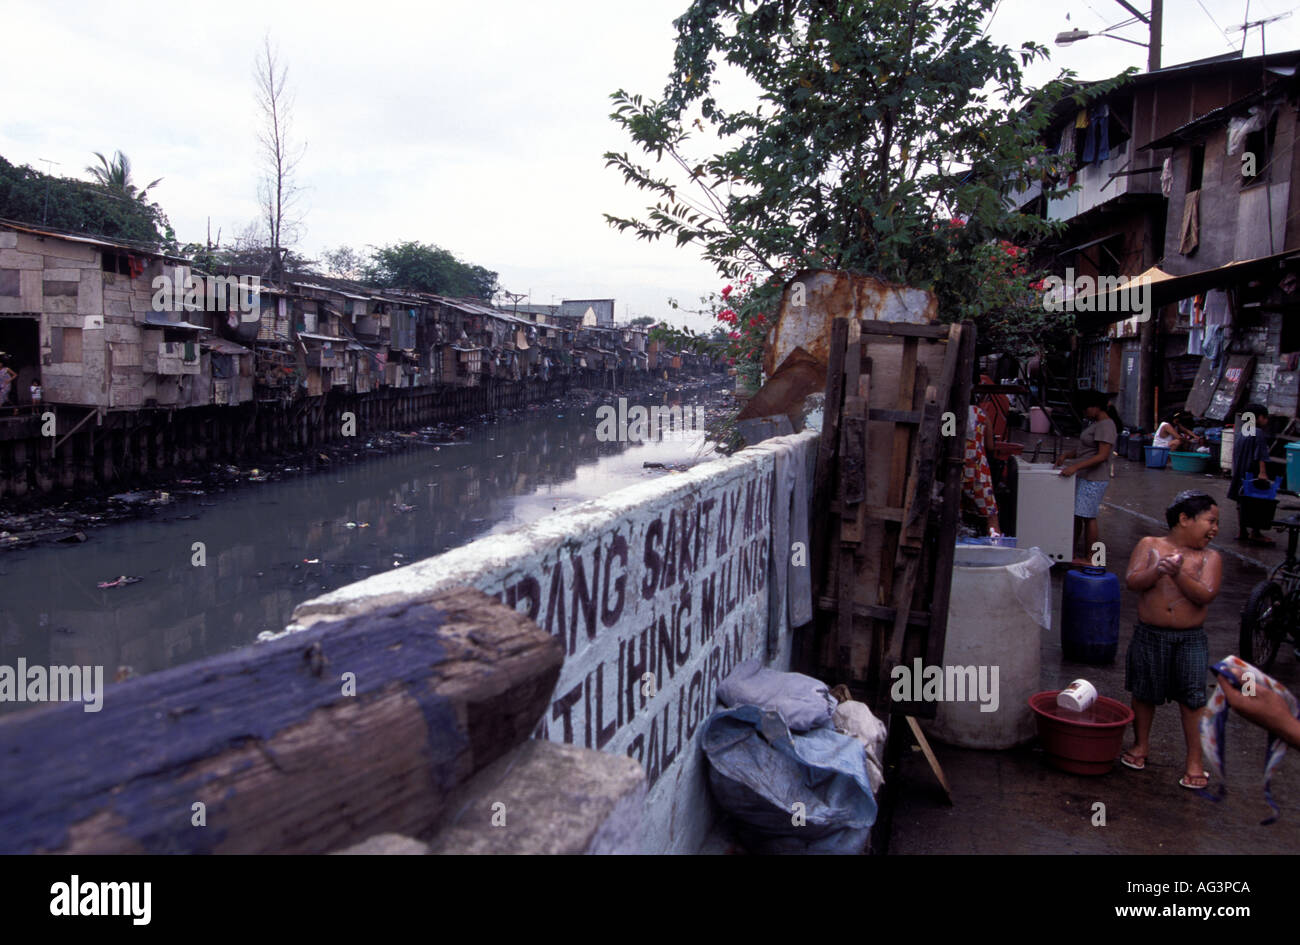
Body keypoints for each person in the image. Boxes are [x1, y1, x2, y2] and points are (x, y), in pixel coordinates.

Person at [1120, 490, 1222, 789]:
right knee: (1144, 692)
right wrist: (1156, 571)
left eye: (1217, 523)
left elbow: (1207, 594)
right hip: (1150, 634)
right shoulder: (1150, 545)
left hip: (1190, 639)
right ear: (1184, 519)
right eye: (1211, 521)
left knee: (1192, 699)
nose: (1215, 529)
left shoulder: (1210, 557)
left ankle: (1194, 761)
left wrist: (1178, 575)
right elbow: (1132, 581)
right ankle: (1141, 745)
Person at [1055, 390, 1116, 563]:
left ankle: (1092, 557)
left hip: (1094, 478)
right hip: (1085, 476)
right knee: (1078, 515)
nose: (1084, 412)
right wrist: (1068, 455)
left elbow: (1102, 455)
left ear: (1096, 407)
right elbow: (1087, 451)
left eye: (1086, 409)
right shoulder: (1096, 424)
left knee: (1088, 516)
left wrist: (1075, 467)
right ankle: (1071, 551)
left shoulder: (1106, 425)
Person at [1226, 403, 1275, 546]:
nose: (1266, 421)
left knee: (1242, 501)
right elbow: (1261, 454)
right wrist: (1263, 473)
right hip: (1252, 471)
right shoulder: (1258, 432)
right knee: (1258, 501)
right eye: (1265, 418)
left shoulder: (1242, 431)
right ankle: (1256, 532)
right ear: (1259, 418)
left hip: (1240, 471)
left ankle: (1242, 531)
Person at [961, 402, 1001, 536]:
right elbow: (990, 445)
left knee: (956, 513)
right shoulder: (981, 414)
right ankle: (996, 546)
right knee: (991, 515)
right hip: (979, 470)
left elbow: (946, 438)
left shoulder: (949, 414)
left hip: (957, 470)